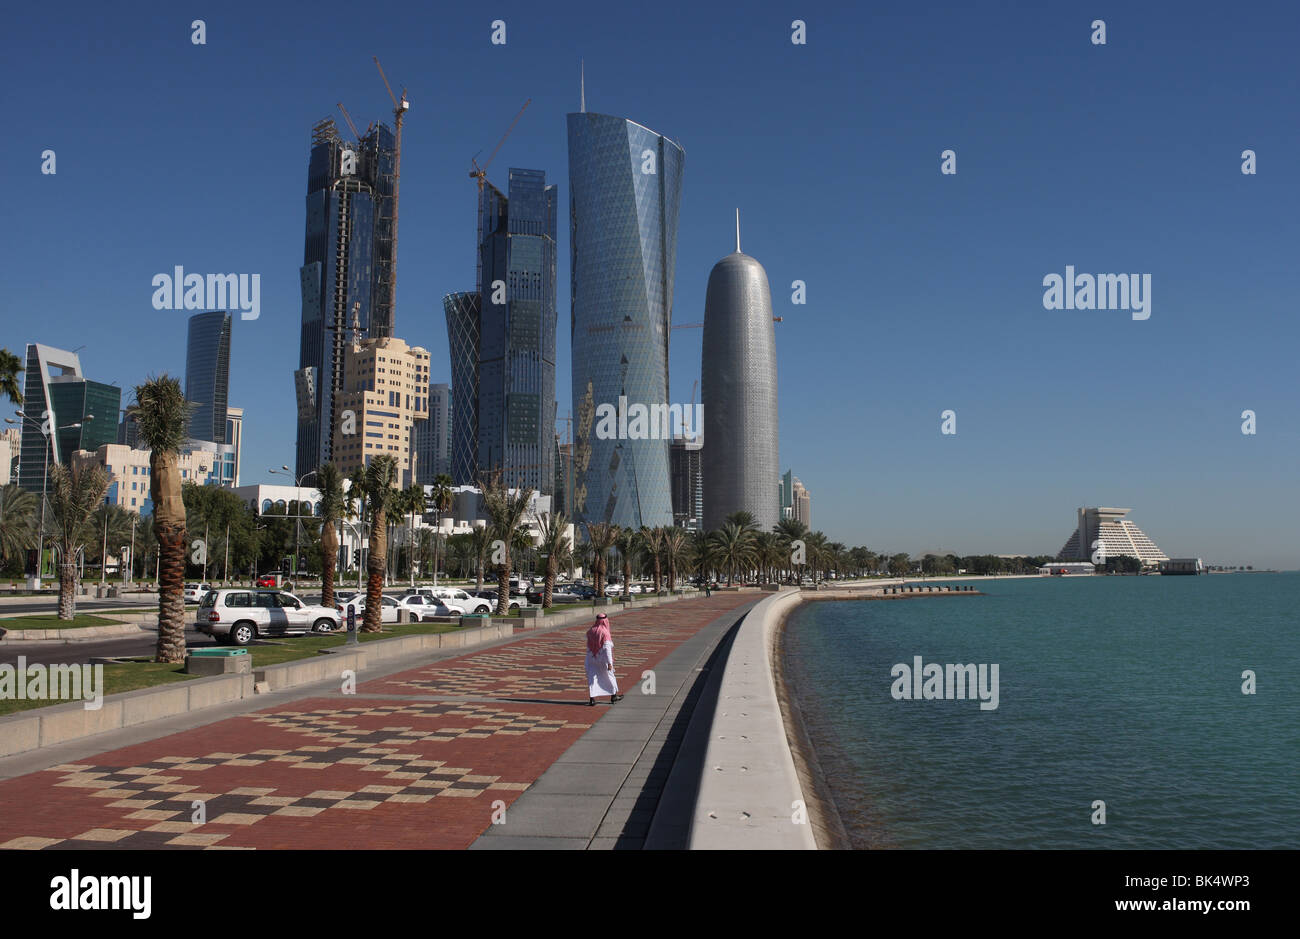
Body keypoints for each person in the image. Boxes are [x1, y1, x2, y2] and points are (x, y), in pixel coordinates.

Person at [585, 612, 622, 706]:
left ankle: (592, 699)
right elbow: (607, 649)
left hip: (591, 659)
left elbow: (588, 647)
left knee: (592, 678)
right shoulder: (605, 633)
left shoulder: (590, 631)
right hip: (603, 659)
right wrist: (610, 663)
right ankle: (613, 696)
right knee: (610, 676)